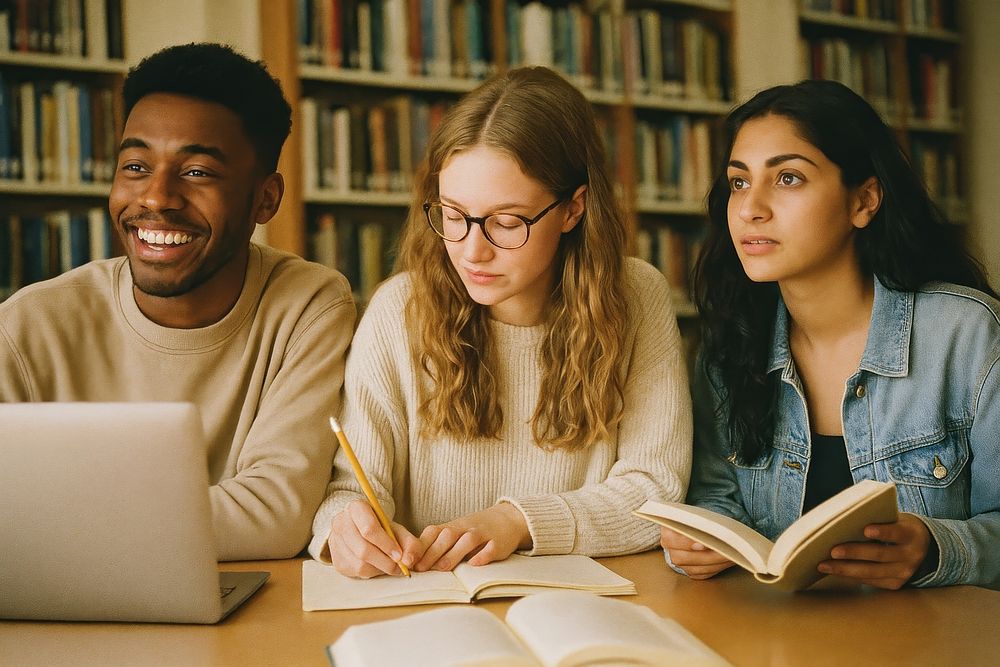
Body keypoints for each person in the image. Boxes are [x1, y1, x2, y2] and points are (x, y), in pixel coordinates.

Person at [309, 66, 693, 578]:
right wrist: (345, 530)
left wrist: (517, 521)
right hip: (428, 616)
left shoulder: (636, 297)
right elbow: (349, 491)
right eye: (452, 213)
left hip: (576, 612)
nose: (472, 250)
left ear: (573, 209)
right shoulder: (398, 309)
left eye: (507, 221)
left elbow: (654, 491)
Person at [0, 43, 356, 560]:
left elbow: (276, 513)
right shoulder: (28, 325)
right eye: (136, 166)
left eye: (197, 173)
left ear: (266, 198)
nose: (156, 198)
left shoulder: (308, 305)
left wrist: (60, 529)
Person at [661, 79, 1000, 590]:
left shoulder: (966, 336)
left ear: (864, 201)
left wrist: (935, 549)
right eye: (738, 182)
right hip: (777, 639)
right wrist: (699, 541)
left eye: (788, 179)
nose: (752, 207)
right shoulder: (730, 344)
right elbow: (716, 496)